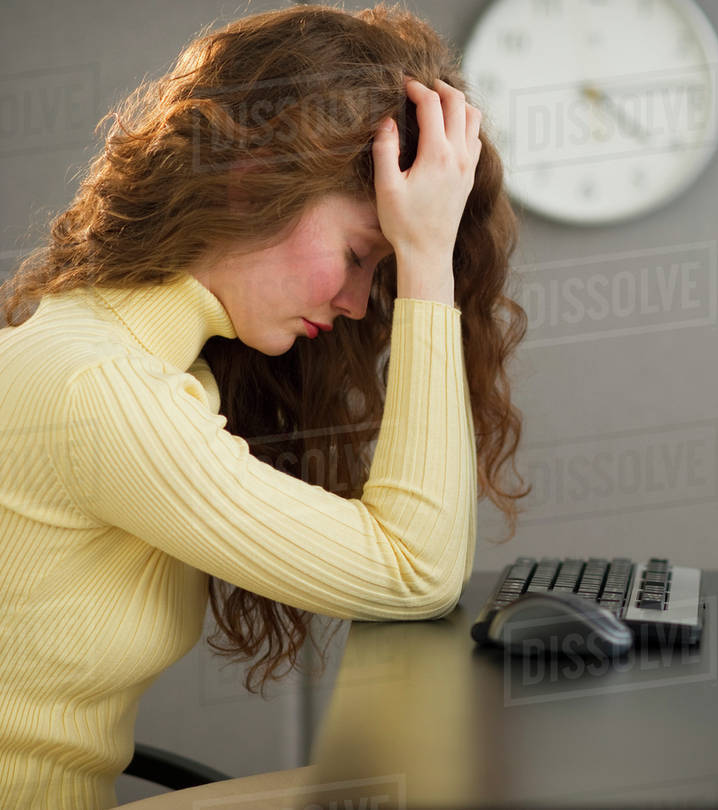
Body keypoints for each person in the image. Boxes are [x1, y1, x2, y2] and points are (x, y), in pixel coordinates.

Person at [0, 5, 528, 807]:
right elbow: (416, 570)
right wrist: (425, 259)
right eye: (359, 255)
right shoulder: (97, 389)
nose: (359, 303)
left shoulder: (151, 366)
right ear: (251, 184)